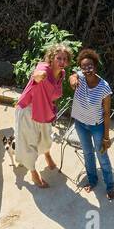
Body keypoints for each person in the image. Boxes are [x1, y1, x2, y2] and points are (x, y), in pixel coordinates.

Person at [14, 42, 71, 188]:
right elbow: (37, 74)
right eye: (59, 58)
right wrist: (38, 76)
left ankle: (46, 154)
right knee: (29, 142)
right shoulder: (44, 69)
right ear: (51, 58)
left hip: (45, 110)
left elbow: (53, 93)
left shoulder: (62, 74)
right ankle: (33, 172)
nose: (62, 62)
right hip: (29, 109)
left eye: (65, 59)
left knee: (46, 137)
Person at [69, 48, 114, 200]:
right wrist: (73, 78)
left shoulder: (104, 87)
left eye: (90, 66)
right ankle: (92, 180)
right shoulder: (80, 77)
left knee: (102, 156)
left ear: (95, 67)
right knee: (88, 153)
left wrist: (106, 137)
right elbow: (73, 76)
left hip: (97, 126)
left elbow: (106, 113)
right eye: (84, 67)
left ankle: (110, 186)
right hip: (80, 124)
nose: (87, 70)